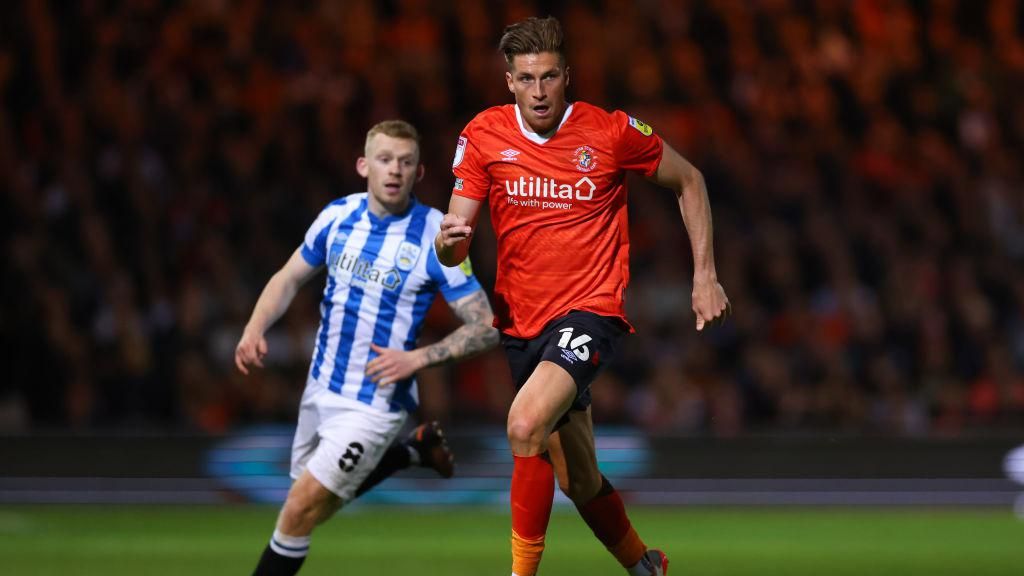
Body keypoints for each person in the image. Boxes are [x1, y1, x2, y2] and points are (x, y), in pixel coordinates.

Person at [435, 16, 730, 576]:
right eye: (527, 78)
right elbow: (454, 240)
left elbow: (689, 179)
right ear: (509, 82)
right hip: (521, 323)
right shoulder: (482, 137)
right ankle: (647, 566)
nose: (539, 91)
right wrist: (449, 246)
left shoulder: (610, 131)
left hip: (591, 311)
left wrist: (704, 275)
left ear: (566, 76)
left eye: (549, 77)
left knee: (524, 425)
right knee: (578, 478)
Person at [236, 119, 499, 576]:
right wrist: (254, 328)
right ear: (363, 166)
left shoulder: (437, 234)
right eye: (384, 160)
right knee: (316, 506)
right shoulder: (337, 216)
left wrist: (417, 359)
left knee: (297, 512)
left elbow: (486, 324)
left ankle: (404, 449)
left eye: (405, 162)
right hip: (321, 387)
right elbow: (288, 278)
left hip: (376, 403)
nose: (394, 170)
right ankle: (411, 453)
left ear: (419, 173)